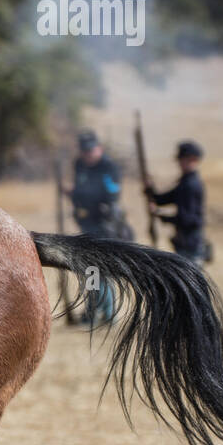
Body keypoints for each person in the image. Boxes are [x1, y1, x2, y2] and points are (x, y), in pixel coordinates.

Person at [68, 130, 129, 325]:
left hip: (105, 225)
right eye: (84, 151)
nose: (87, 155)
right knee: (94, 271)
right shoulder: (79, 165)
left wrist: (80, 194)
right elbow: (79, 190)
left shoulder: (109, 167)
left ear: (99, 149)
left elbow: (112, 194)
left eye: (91, 150)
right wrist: (74, 194)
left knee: (96, 270)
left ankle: (100, 313)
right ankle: (104, 314)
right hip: (86, 223)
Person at [145, 140, 208, 265]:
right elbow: (163, 199)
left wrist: (160, 214)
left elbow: (187, 219)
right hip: (184, 242)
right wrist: (150, 190)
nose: (180, 163)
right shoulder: (185, 183)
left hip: (190, 243)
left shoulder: (191, 185)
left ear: (193, 160)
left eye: (183, 159)